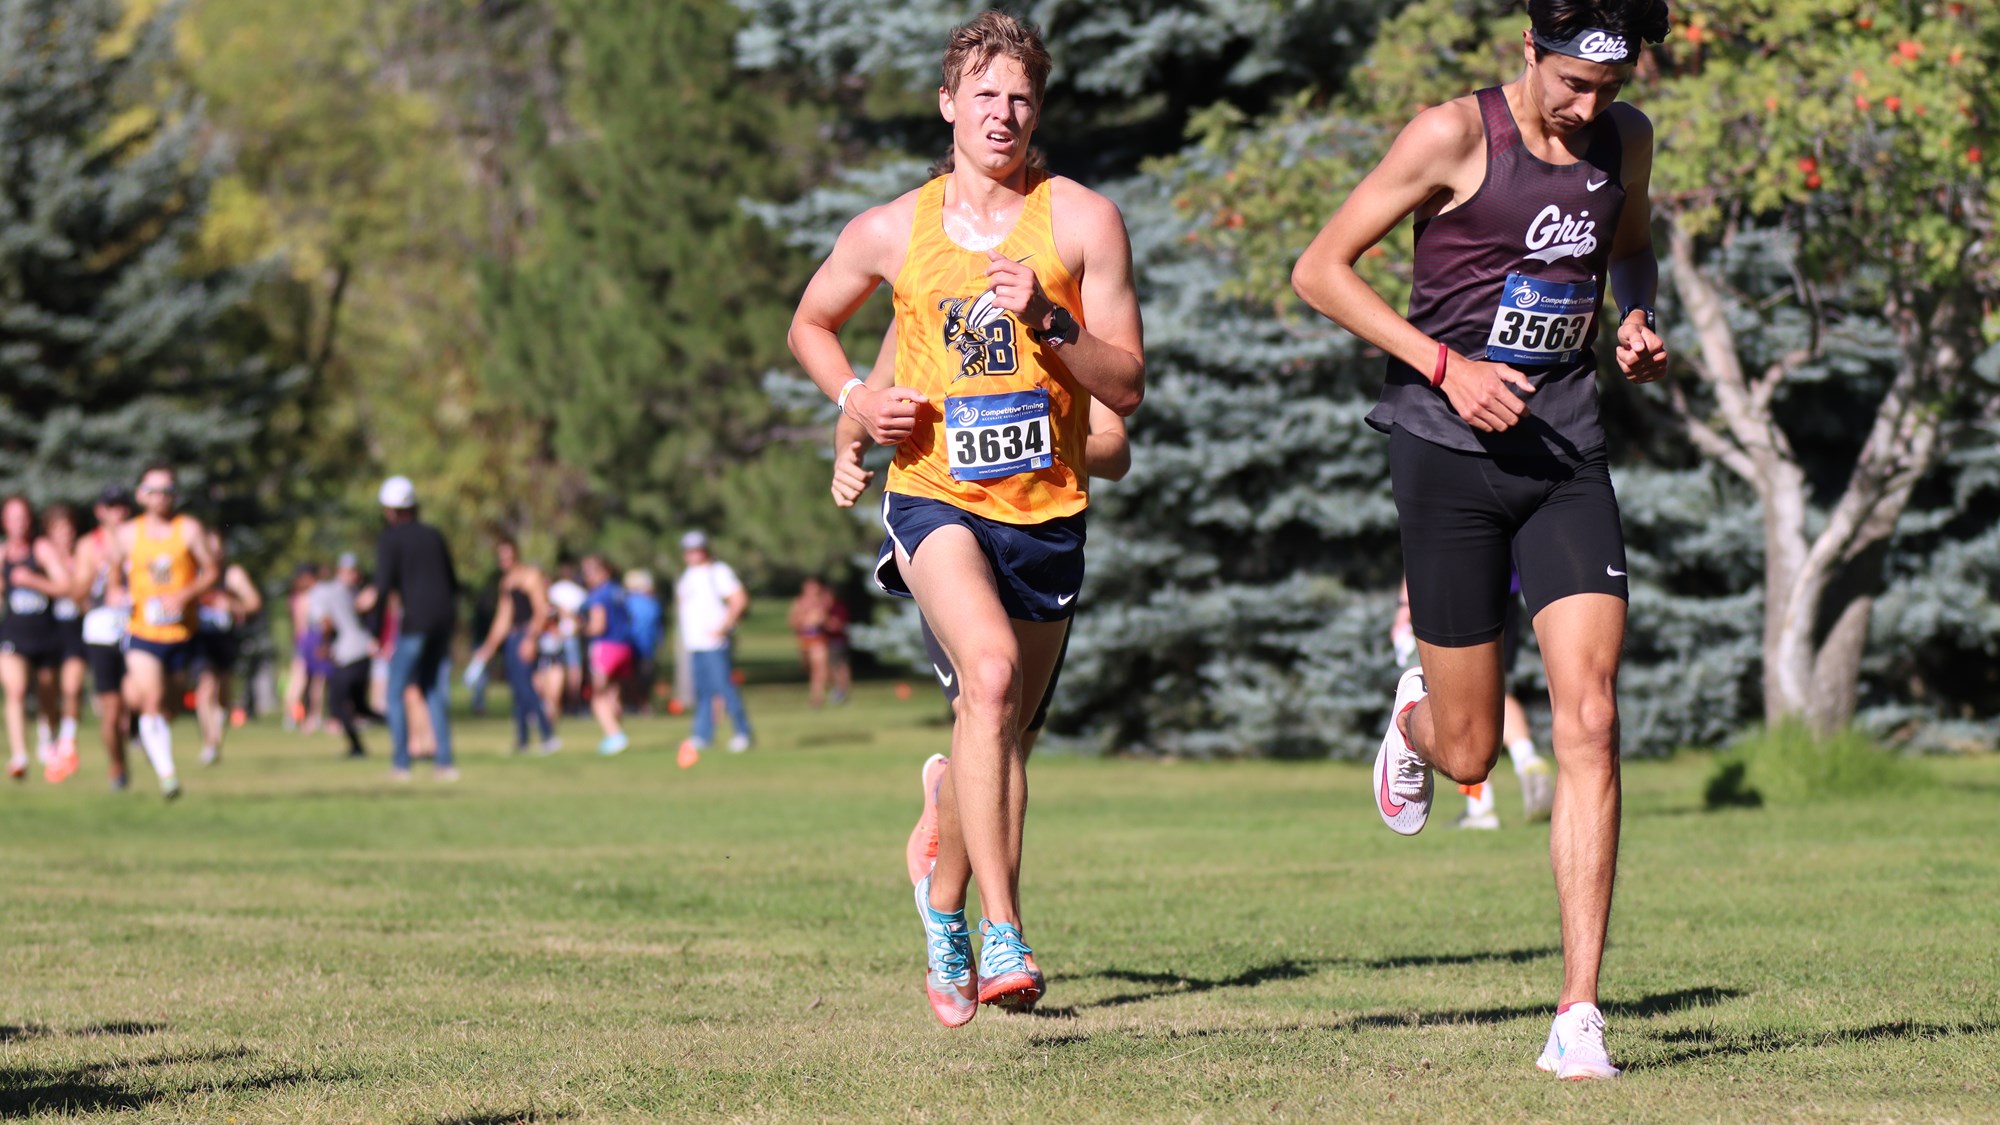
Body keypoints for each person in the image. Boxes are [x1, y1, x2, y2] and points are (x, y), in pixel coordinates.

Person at [1290, 0, 1670, 1079]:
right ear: (1527, 52)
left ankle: (1578, 1012)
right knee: (1468, 751)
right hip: (1444, 459)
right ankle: (1413, 727)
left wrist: (1635, 321)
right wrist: (1445, 366)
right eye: (1568, 85)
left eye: (1604, 88)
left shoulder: (1625, 139)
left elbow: (1629, 250)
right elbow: (1319, 270)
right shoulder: (1450, 137)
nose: (1585, 109)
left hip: (1564, 457)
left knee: (1587, 715)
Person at [788, 9, 1145, 1027]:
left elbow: (1126, 389)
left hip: (1045, 515)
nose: (1004, 112)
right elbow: (811, 324)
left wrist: (1048, 319)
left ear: (1038, 110)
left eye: (1021, 96)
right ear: (948, 104)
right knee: (985, 678)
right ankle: (999, 930)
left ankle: (939, 893)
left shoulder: (1080, 221)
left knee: (1004, 732)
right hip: (935, 498)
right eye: (984, 94)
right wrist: (855, 401)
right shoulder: (890, 229)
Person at [833, 321, 1134, 890]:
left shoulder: (1064, 318)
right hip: (944, 519)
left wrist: (1042, 441)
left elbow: (1115, 450)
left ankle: (944, 799)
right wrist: (846, 455)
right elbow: (866, 402)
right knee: (991, 707)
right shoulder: (925, 293)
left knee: (1010, 745)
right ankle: (959, 916)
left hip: (1041, 535)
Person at [1392, 577, 1555, 829]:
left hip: (1456, 583)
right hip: (1505, 592)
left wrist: (1405, 605)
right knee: (1497, 690)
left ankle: (1480, 807)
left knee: (1459, 698)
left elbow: (1424, 545)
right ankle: (1526, 758)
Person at [104, 464, 223, 800]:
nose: (160, 498)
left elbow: (212, 570)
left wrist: (184, 595)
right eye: (153, 491)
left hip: (182, 632)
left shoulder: (188, 530)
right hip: (142, 632)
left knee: (169, 706)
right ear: (142, 495)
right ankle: (167, 775)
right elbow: (113, 575)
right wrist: (116, 593)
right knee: (153, 699)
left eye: (167, 491)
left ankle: (152, 739)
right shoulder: (128, 534)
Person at [368, 476, 460, 782]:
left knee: (395, 692)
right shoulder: (434, 535)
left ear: (390, 511)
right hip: (443, 620)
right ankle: (444, 762)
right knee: (432, 688)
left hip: (416, 623)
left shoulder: (390, 539)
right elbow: (452, 581)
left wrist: (374, 631)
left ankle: (401, 762)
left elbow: (382, 588)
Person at [1, 496, 72, 783]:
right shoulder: (2, 552)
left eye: (23, 517)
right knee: (15, 690)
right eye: (13, 517)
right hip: (12, 634)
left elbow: (64, 586)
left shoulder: (41, 549)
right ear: (5, 521)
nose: (19, 523)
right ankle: (19, 755)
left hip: (44, 634)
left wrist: (33, 581)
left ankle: (47, 739)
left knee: (46, 692)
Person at [69, 486, 135, 789]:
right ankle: (117, 767)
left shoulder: (140, 539)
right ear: (101, 511)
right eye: (112, 507)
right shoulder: (88, 546)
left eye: (122, 506)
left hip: (138, 629)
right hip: (101, 632)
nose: (118, 512)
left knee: (141, 699)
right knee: (111, 712)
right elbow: (77, 595)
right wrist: (99, 573)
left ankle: (141, 732)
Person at [468, 540, 559, 754]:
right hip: (513, 637)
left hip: (527, 634)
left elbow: (541, 610)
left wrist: (531, 639)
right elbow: (503, 618)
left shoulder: (530, 577)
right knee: (517, 690)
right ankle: (522, 739)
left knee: (526, 687)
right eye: (501, 558)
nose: (504, 562)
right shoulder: (506, 582)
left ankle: (548, 735)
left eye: (508, 557)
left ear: (516, 555)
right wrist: (489, 647)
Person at [672, 531, 751, 765]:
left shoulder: (719, 571)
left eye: (696, 549)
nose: (692, 554)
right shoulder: (687, 576)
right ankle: (702, 735)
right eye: (688, 550)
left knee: (725, 688)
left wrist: (722, 627)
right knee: (704, 691)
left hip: (714, 643)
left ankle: (742, 733)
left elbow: (739, 600)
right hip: (695, 643)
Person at [192, 531, 264, 767]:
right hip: (200, 638)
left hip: (226, 639)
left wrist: (232, 604)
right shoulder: (192, 572)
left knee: (222, 693)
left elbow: (254, 602)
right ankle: (210, 742)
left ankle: (216, 736)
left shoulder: (232, 575)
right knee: (206, 686)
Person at [309, 553, 382, 758]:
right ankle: (400, 728)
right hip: (362, 652)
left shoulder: (321, 592)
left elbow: (325, 622)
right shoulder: (351, 592)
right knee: (360, 707)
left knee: (337, 705)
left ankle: (358, 747)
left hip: (349, 654)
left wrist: (324, 644)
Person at [39, 505, 88, 783]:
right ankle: (49, 733)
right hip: (47, 630)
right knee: (47, 688)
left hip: (75, 630)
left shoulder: (83, 556)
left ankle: (68, 741)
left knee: (72, 687)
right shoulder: (41, 558)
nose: (65, 534)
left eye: (68, 528)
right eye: (58, 529)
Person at [579, 554, 634, 755]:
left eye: (591, 571)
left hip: (606, 647)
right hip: (624, 647)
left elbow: (598, 626)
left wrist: (578, 628)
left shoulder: (598, 595)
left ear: (604, 571)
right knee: (612, 693)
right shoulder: (618, 591)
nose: (587, 576)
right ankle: (616, 735)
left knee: (597, 695)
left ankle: (615, 736)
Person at [284, 563, 328, 734]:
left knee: (313, 683)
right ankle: (300, 716)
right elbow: (302, 625)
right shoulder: (306, 597)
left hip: (305, 642)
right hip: (309, 642)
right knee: (304, 683)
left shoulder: (298, 597)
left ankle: (306, 717)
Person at [788, 576, 839, 708]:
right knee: (810, 670)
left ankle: (817, 698)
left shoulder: (822, 602)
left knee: (819, 670)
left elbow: (826, 619)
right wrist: (803, 619)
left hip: (819, 640)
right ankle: (833, 688)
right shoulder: (799, 602)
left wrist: (824, 621)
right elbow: (792, 622)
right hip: (805, 641)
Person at [621, 569, 664, 715]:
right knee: (640, 678)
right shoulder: (648, 603)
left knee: (638, 678)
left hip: (637, 646)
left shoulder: (632, 602)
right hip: (637, 645)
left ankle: (637, 705)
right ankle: (639, 705)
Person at [547, 565, 587, 717]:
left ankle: (561, 703)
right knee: (573, 668)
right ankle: (572, 702)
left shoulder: (553, 590)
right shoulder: (579, 591)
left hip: (557, 635)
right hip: (570, 634)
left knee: (558, 669)